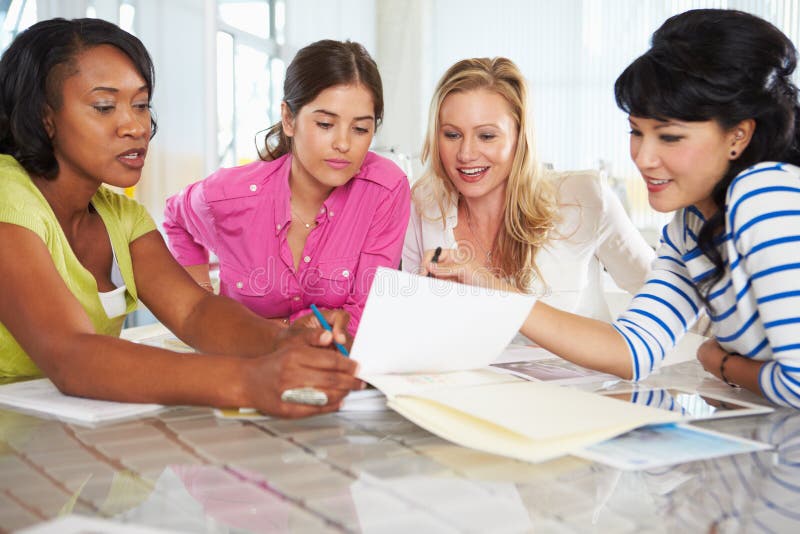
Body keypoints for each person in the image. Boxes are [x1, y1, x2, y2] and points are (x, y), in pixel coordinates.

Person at [425, 9, 800, 408]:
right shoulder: (688, 226)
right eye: (636, 132)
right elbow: (632, 351)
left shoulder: (764, 193)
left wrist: (720, 362)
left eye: (670, 137)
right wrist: (496, 290)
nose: (644, 157)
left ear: (739, 135)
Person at [0, 18, 362, 418]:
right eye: (104, 107)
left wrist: (282, 342)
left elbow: (194, 312)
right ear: (44, 117)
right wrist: (247, 381)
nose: (135, 126)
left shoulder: (122, 215)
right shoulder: (7, 196)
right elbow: (71, 355)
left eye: (140, 105)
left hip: (68, 438)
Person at [163, 40, 411, 336]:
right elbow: (175, 217)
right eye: (325, 124)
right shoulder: (230, 194)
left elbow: (364, 314)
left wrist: (279, 327)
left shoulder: (385, 190)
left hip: (332, 368)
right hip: (242, 367)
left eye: (360, 129)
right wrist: (201, 303)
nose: (343, 144)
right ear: (289, 119)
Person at [404, 57, 654, 322]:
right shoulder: (422, 205)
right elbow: (414, 322)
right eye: (452, 135)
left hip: (576, 365)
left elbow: (664, 298)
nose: (465, 154)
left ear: (520, 137)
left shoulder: (585, 196)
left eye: (487, 136)